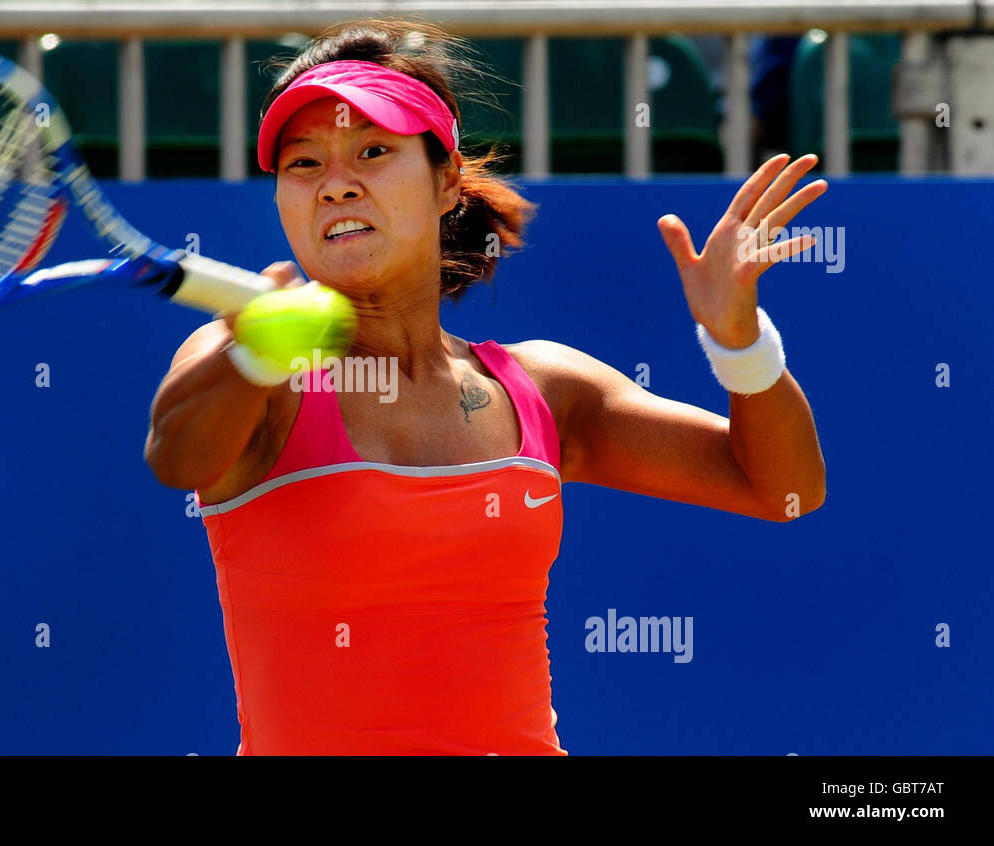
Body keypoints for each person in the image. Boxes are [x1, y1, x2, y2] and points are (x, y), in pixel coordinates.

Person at [145, 19, 827, 755]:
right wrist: (253, 359)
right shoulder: (247, 362)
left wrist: (740, 343)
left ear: (446, 184)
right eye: (303, 164)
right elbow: (177, 460)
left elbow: (782, 488)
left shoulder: (545, 388)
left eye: (373, 152)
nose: (336, 183)